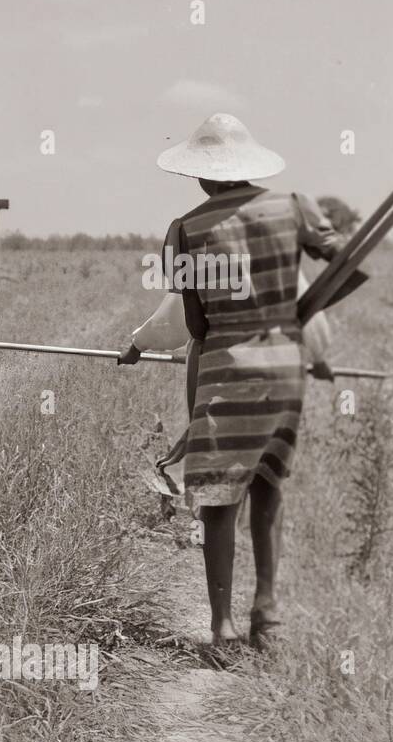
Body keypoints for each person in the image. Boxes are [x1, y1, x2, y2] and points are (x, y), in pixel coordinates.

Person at [118, 113, 345, 659]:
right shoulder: (292, 206)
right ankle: (268, 613)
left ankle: (221, 627)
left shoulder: (187, 230)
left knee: (219, 502)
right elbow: (338, 261)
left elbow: (196, 326)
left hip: (228, 371)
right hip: (284, 368)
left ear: (200, 175)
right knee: (268, 488)